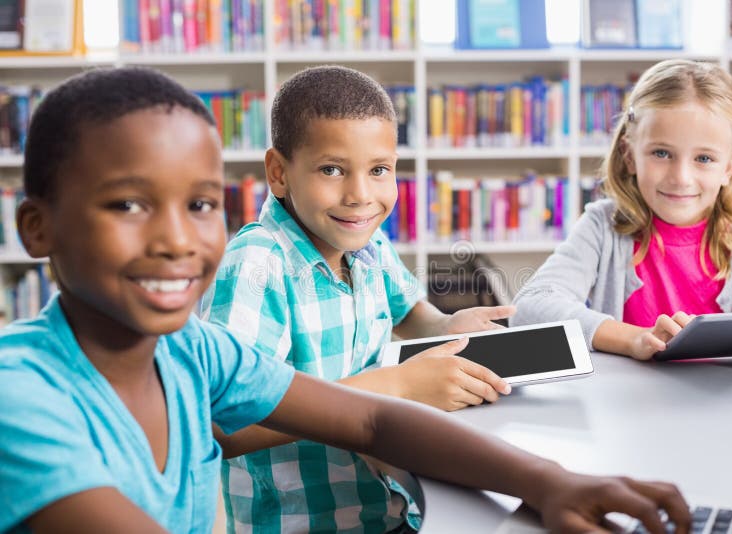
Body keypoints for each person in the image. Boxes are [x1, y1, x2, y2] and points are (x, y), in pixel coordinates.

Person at [0, 65, 690, 534]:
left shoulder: (192, 352)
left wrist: (548, 483)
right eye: (128, 205)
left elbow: (371, 426)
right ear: (37, 228)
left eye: (202, 203)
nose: (178, 239)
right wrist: (401, 382)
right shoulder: (21, 398)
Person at [200, 65, 516, 533]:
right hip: (305, 523)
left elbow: (410, 314)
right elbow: (226, 425)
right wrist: (397, 387)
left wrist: (446, 328)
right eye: (332, 170)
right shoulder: (256, 264)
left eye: (379, 170)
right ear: (279, 173)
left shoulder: (368, 245)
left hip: (385, 505)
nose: (360, 196)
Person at [511, 59, 732, 370]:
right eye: (661, 153)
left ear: (729, 167)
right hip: (630, 411)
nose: (681, 177)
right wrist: (634, 339)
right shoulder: (602, 228)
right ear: (629, 155)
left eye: (703, 158)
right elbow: (529, 308)